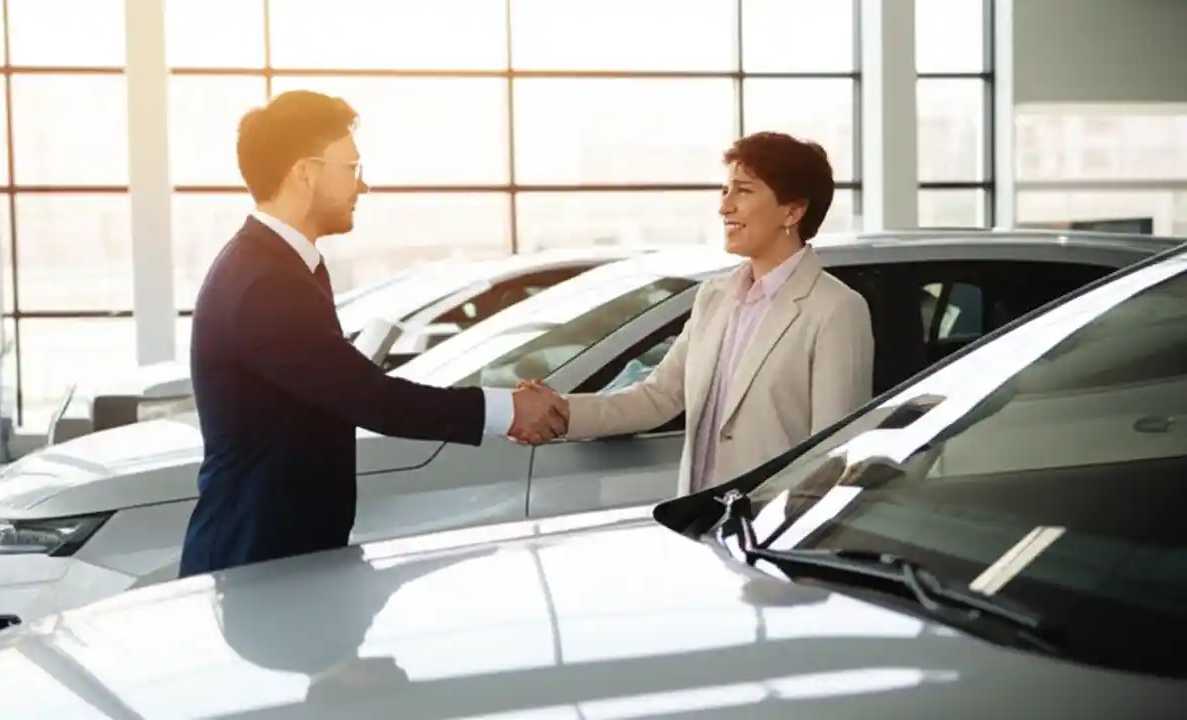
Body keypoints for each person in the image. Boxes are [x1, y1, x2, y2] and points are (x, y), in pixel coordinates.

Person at [179, 90, 565, 578]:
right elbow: (370, 398)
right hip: (255, 557)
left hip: (277, 553)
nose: (363, 187)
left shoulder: (277, 264)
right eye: (351, 169)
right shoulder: (265, 281)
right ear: (305, 172)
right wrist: (507, 410)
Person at [523, 131, 873, 497]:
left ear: (793, 210)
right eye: (725, 191)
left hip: (769, 531)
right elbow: (658, 397)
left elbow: (830, 454)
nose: (725, 206)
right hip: (701, 519)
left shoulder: (835, 309)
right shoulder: (714, 296)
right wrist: (561, 412)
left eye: (743, 190)